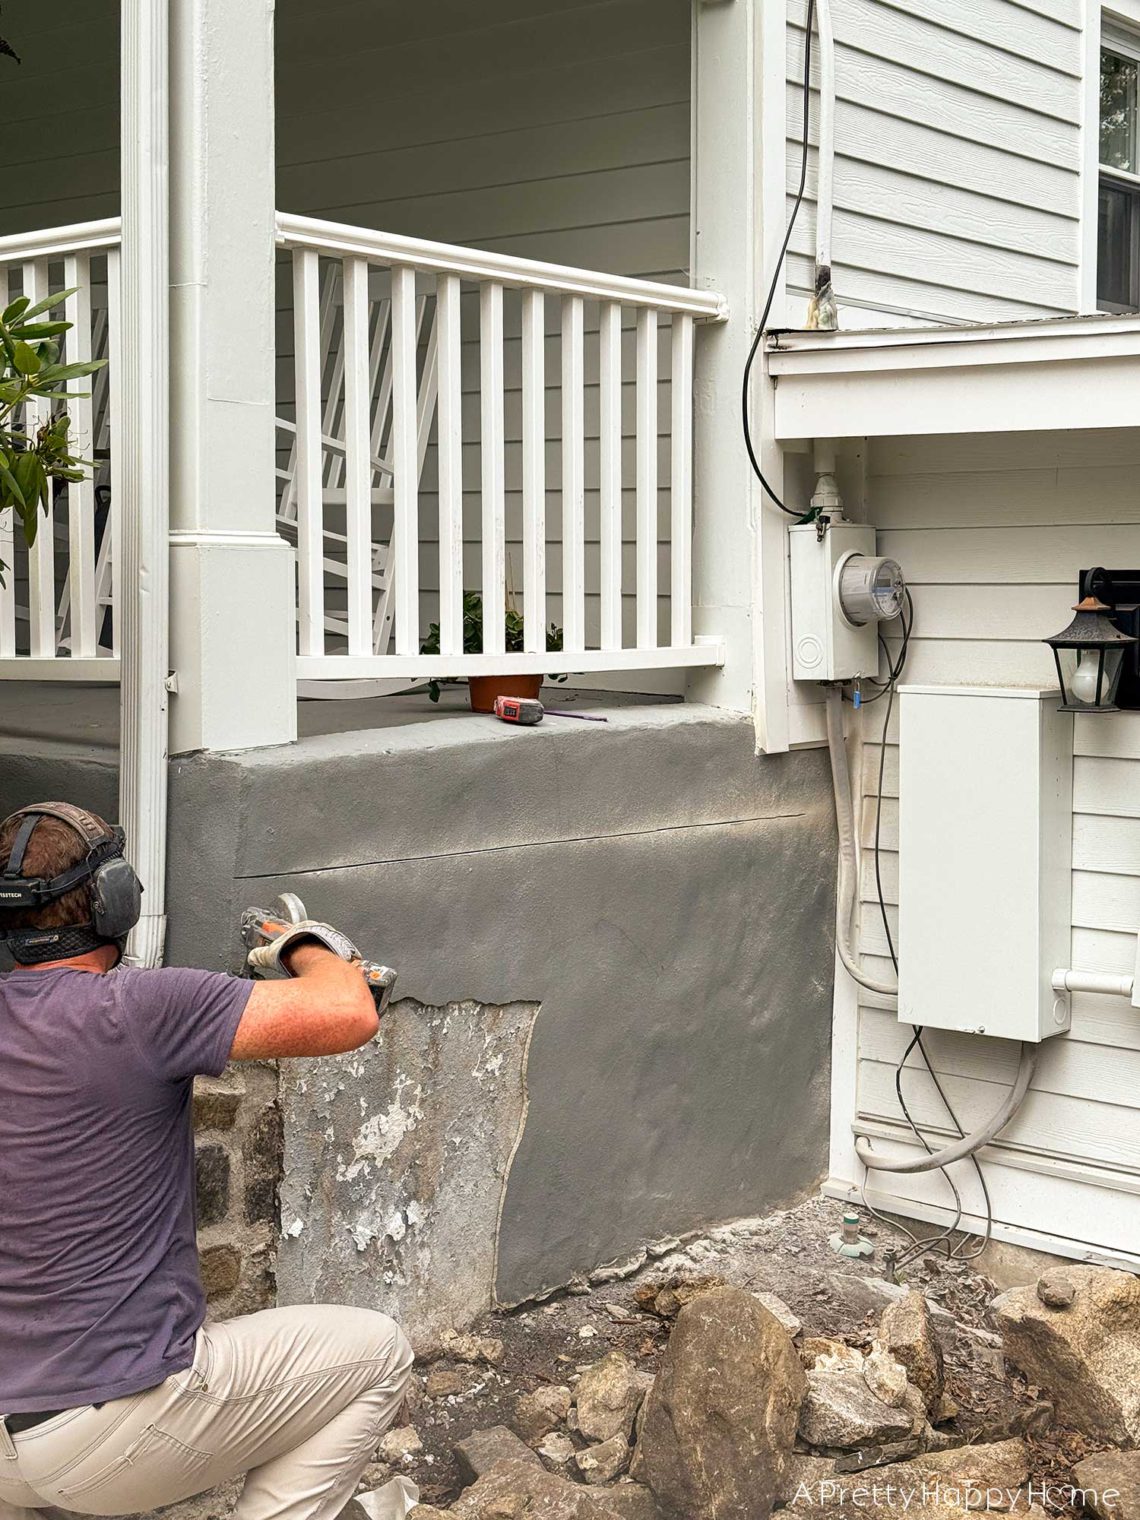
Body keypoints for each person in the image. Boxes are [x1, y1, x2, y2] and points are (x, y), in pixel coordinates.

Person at [0, 802, 414, 1520]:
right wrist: (302, 945)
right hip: (106, 1433)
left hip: (8, 1445)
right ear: (116, 900)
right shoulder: (140, 1009)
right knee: (377, 1353)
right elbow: (348, 1011)